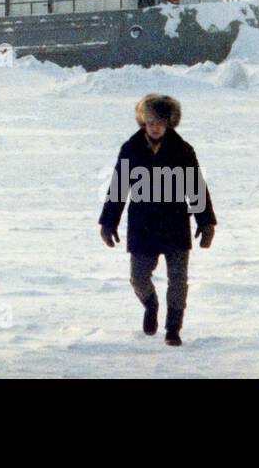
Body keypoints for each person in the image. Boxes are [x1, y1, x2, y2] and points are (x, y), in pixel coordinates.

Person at [98, 94, 216, 346]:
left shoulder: (183, 150)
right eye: (150, 122)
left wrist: (205, 222)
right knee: (138, 277)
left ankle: (173, 328)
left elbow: (196, 187)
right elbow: (119, 188)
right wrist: (109, 222)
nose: (154, 127)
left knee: (178, 279)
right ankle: (150, 305)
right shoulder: (130, 149)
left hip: (174, 224)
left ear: (170, 123)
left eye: (160, 123)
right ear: (143, 121)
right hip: (143, 225)